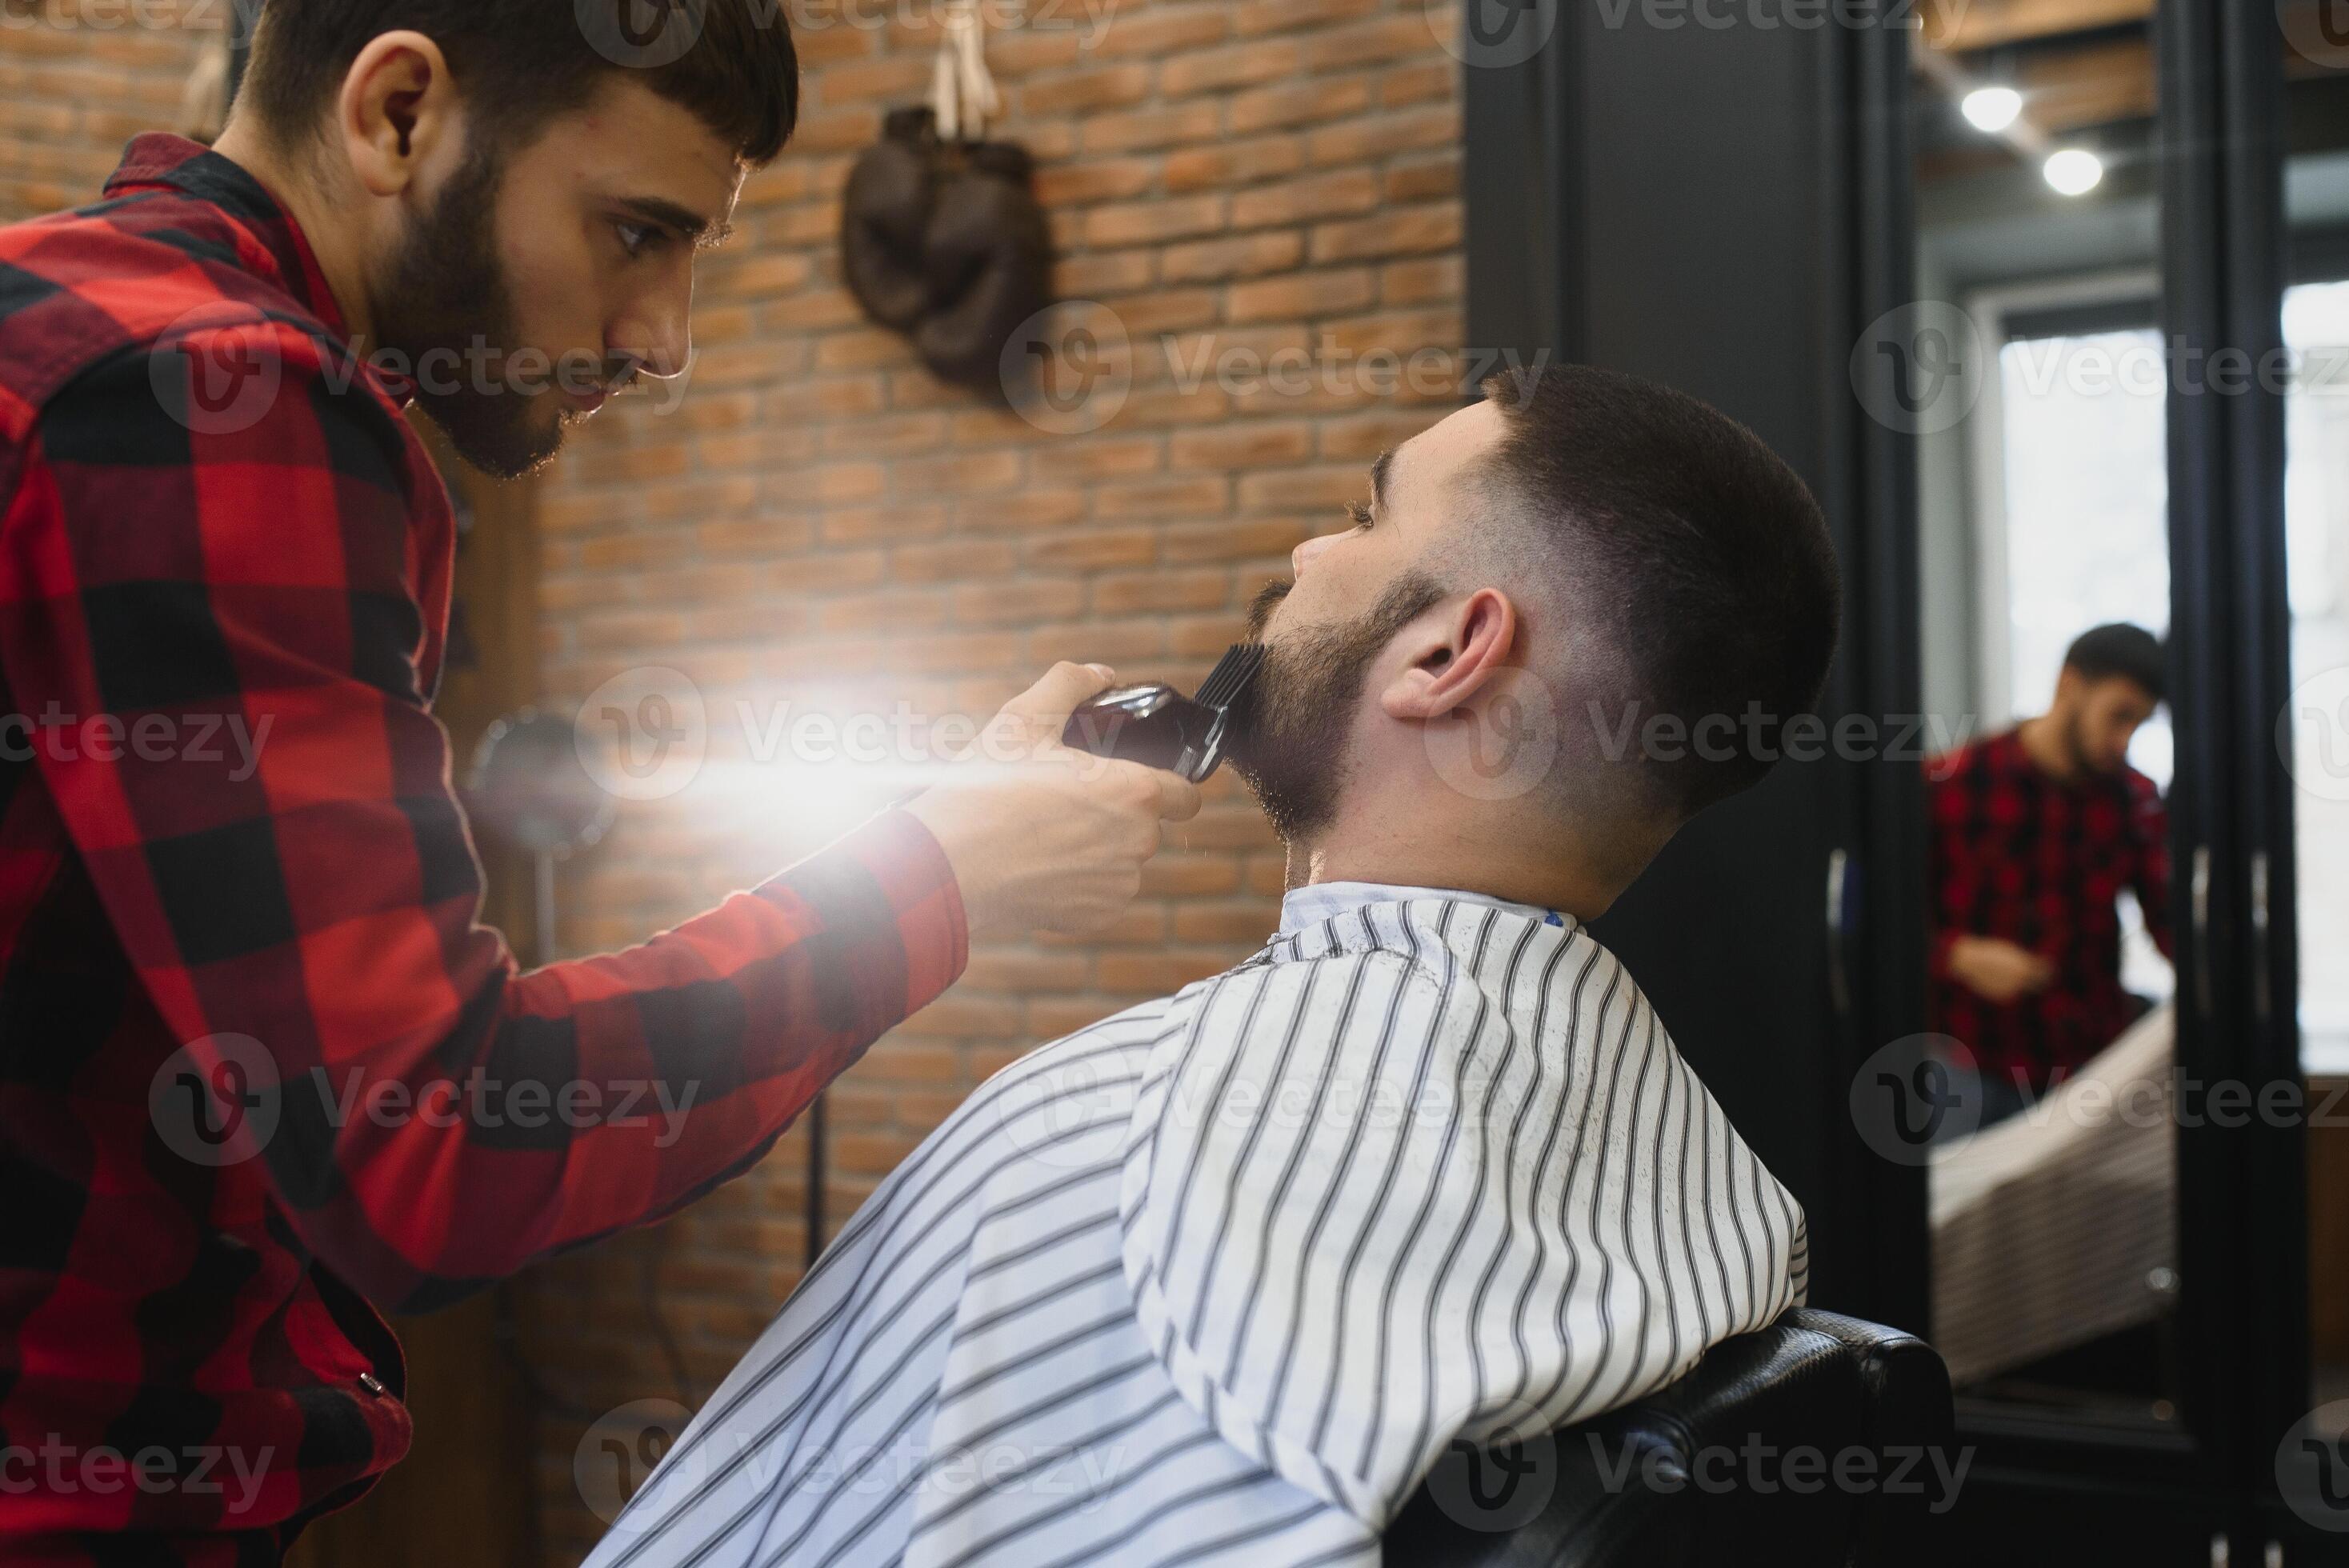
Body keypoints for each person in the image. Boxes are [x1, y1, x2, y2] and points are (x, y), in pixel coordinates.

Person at [0, 6, 1197, 1562]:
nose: (664, 336)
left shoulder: (48, 308)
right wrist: (939, 875)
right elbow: (433, 1141)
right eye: (636, 230)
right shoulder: (219, 396)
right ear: (399, 113)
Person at [582, 364, 1839, 1568]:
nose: (1305, 554)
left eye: (1365, 513)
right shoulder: (1720, 1183)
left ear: (1449, 654)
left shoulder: (1130, 1142)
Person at [1925, 623, 2174, 1125]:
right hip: (1970, 1063)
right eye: (2118, 716)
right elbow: (1882, 921)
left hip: (2087, 1071)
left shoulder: (2135, 800)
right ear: (2069, 685)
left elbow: (2171, 925)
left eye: (2139, 725)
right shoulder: (1954, 783)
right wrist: (1957, 956)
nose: (2123, 740)